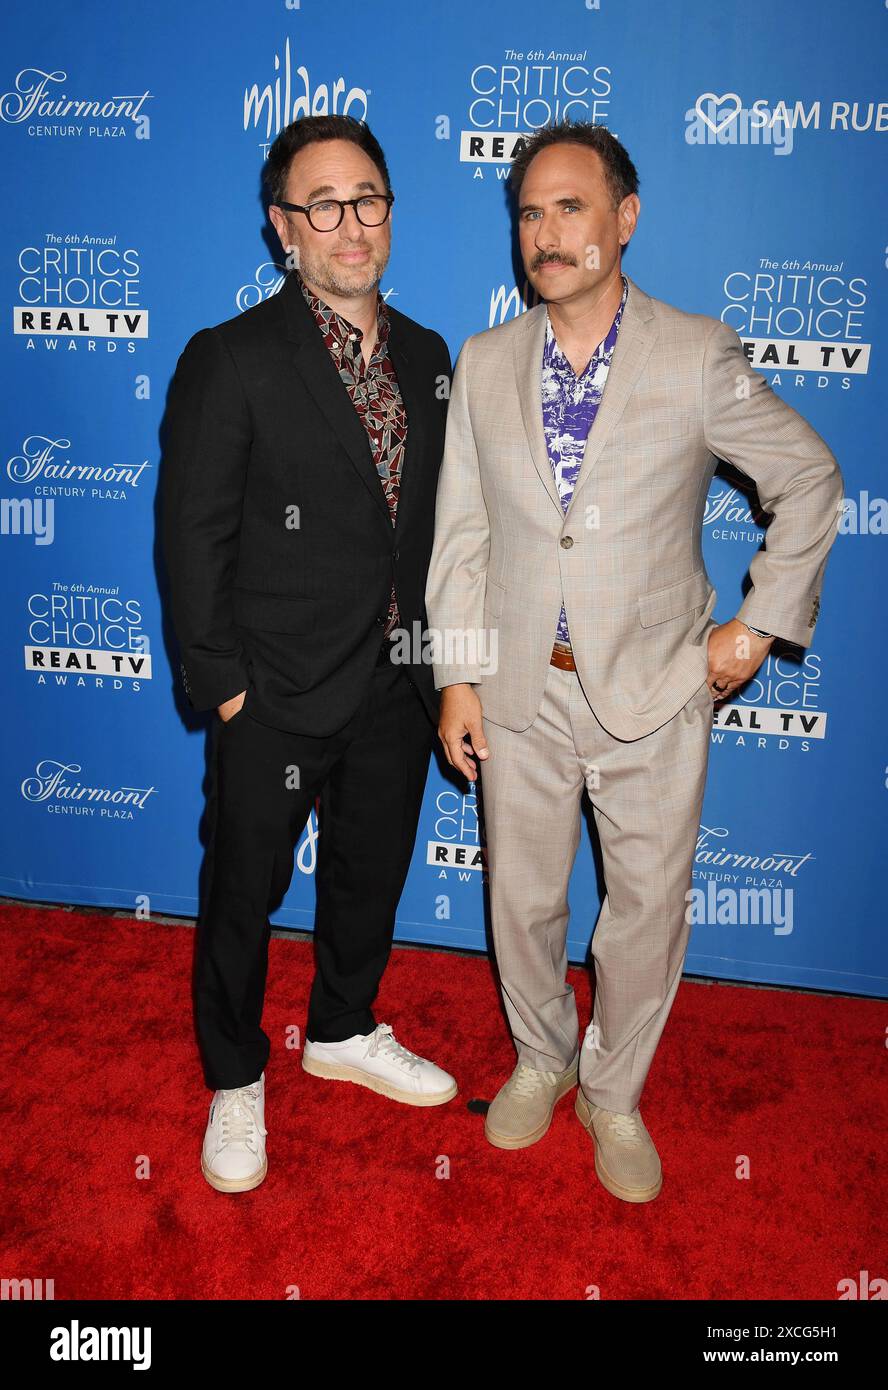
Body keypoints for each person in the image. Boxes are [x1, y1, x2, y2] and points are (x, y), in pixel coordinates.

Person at [425, 119, 843, 1203]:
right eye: (529, 212)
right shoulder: (483, 362)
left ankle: (614, 1090)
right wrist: (458, 676)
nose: (547, 232)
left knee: (645, 910)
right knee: (520, 904)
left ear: (626, 217)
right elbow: (462, 532)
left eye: (571, 206)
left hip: (656, 691)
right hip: (520, 689)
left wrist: (754, 628)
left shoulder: (696, 353)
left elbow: (808, 480)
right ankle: (542, 1055)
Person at [161, 114, 456, 1194]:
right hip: (272, 690)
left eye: (367, 198)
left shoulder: (428, 358)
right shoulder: (231, 358)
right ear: (284, 226)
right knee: (243, 889)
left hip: (396, 685)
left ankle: (341, 1025)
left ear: (389, 209)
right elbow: (192, 538)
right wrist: (227, 689)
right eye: (322, 205)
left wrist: (443, 668)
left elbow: (440, 534)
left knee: (372, 872)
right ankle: (237, 1075)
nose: (350, 224)